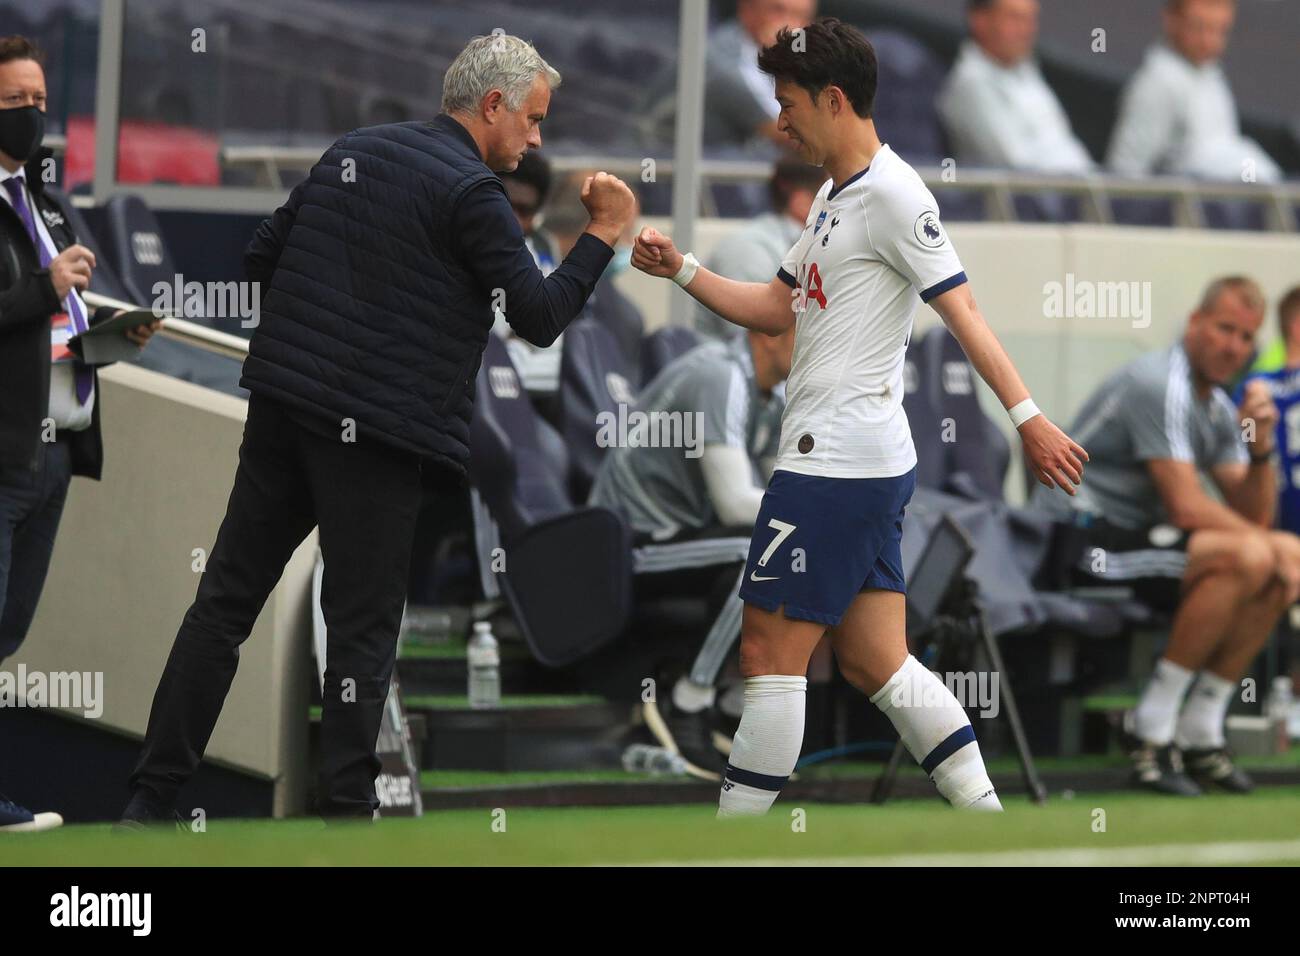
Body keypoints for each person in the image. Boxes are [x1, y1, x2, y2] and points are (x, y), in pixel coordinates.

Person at [116, 33, 636, 827]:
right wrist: (602, 233)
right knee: (360, 633)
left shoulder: (352, 149)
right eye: (532, 120)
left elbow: (260, 259)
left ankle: (149, 803)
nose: (536, 139)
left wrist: (336, 326)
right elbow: (538, 316)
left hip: (285, 409)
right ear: (491, 106)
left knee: (223, 606)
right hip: (382, 438)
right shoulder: (474, 195)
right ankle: (349, 817)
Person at [633, 18, 1086, 817]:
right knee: (877, 660)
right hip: (858, 463)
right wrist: (683, 269)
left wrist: (1029, 419)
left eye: (788, 104)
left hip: (831, 465)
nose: (780, 122)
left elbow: (966, 311)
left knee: (768, 653)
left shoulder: (896, 195)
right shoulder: (834, 199)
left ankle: (731, 841)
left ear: (833, 99)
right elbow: (776, 309)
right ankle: (987, 823)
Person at [1033, 276, 1300, 795]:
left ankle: (1200, 731)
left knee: (1264, 562)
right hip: (1076, 538)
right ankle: (1151, 730)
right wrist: (1276, 547)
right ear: (1195, 323)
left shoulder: (1218, 405)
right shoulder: (1160, 382)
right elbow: (1186, 504)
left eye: (1246, 337)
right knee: (1250, 556)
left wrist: (1262, 449)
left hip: (1137, 539)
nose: (1234, 347)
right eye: (1225, 329)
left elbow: (1253, 512)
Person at [0, 35, 160, 834]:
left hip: (53, 451)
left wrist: (112, 340)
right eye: (15, 101)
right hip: (1, 453)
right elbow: (20, 307)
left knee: (8, 630)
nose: (33, 114)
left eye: (38, 100)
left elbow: (53, 335)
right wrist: (44, 283)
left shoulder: (42, 201)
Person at [589, 327, 793, 772]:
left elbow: (785, 491)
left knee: (798, 548)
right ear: (769, 334)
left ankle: (738, 702)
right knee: (760, 554)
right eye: (812, 331)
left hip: (687, 535)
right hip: (630, 542)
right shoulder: (721, 377)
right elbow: (736, 502)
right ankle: (687, 702)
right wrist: (823, 513)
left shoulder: (771, 395)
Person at [1107, 0, 1282, 183]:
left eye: (1219, 30)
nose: (1209, 41)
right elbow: (1125, 171)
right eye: (1199, 27)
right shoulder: (1157, 83)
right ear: (1171, 21)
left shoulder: (1211, 75)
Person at [936, 0, 1094, 174]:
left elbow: (1068, 147)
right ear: (979, 20)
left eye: (1030, 19)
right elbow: (1017, 165)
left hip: (1077, 191)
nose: (1026, 30)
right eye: (1015, 18)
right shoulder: (970, 83)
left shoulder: (1028, 72)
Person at [695, 160, 826, 341]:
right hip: (723, 363)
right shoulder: (749, 247)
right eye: (832, 201)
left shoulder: (808, 245)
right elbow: (753, 338)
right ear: (802, 202)